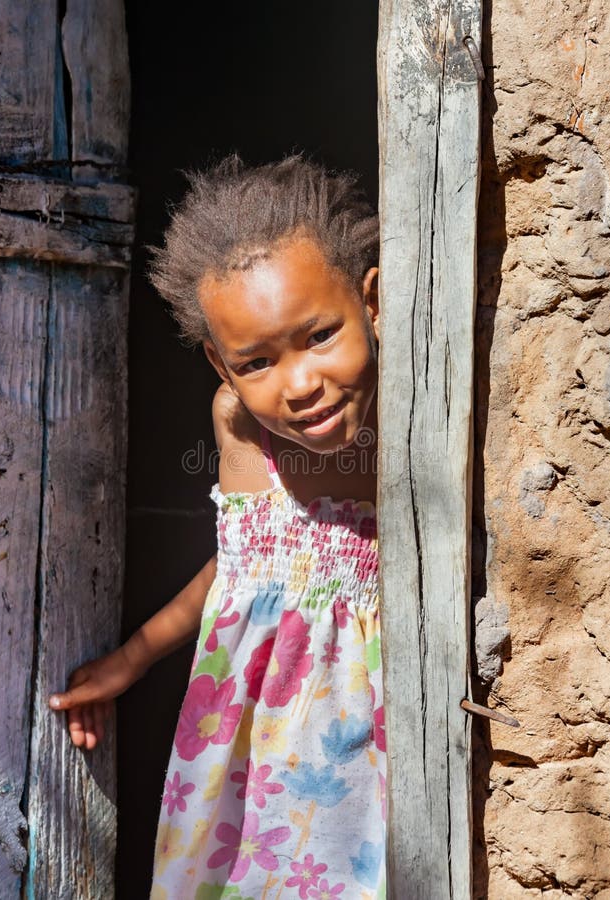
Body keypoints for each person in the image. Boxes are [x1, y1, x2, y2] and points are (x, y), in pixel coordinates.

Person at [49, 156, 386, 899]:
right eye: (255, 362)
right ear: (220, 366)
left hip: (360, 751)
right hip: (245, 760)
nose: (299, 384)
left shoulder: (415, 423)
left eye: (320, 335)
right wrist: (133, 657)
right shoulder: (237, 426)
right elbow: (245, 567)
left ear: (373, 301)